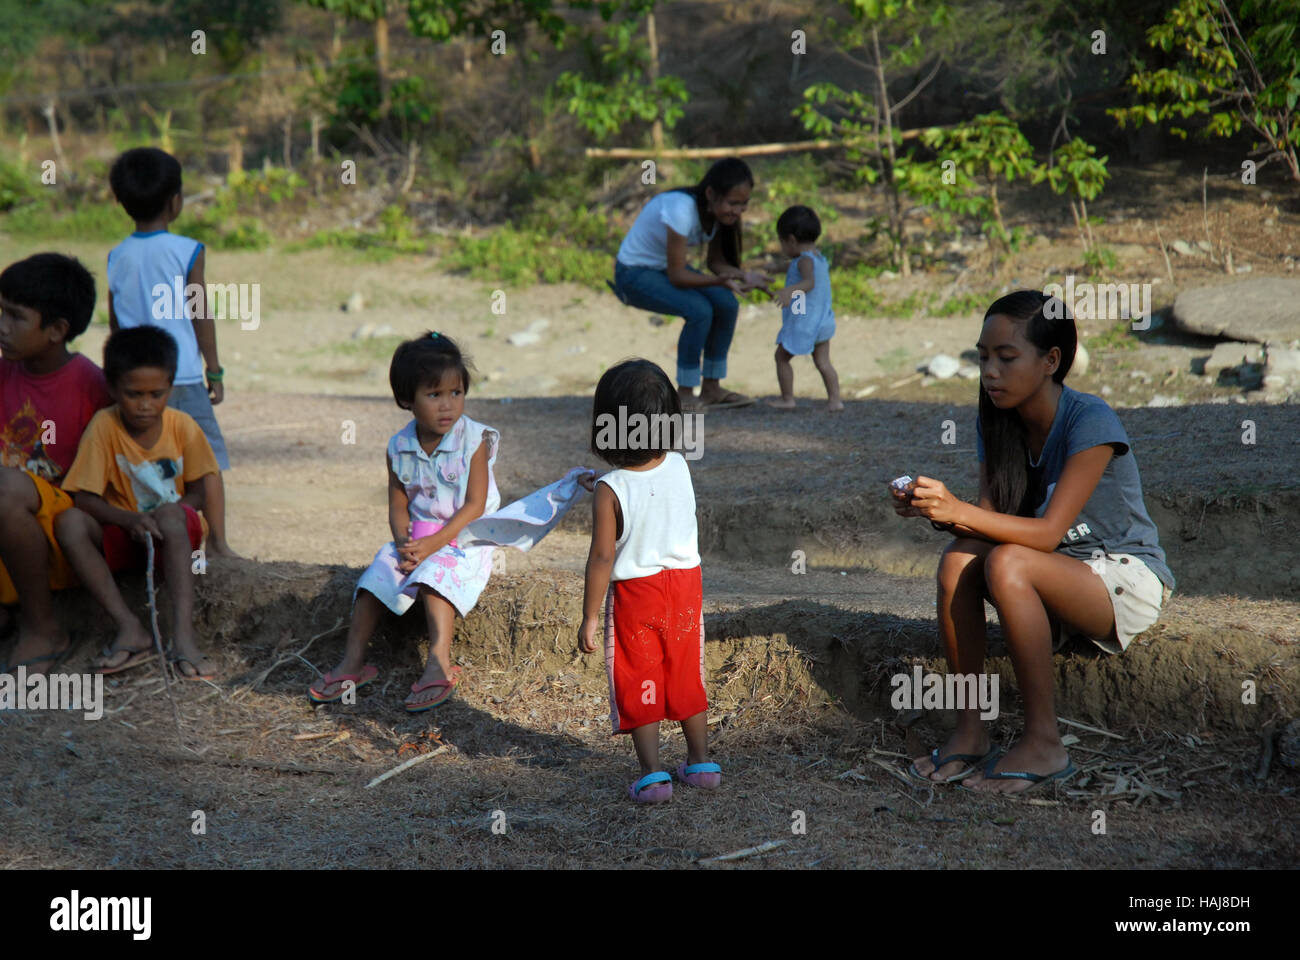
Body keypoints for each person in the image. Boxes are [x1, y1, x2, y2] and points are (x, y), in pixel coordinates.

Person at [892, 290, 1174, 794]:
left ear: (1051, 361)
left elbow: (1044, 533)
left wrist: (960, 510)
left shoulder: (1090, 420)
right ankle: (971, 730)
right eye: (982, 357)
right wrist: (935, 512)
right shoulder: (997, 420)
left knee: (1009, 565)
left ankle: (1044, 742)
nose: (989, 372)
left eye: (1005, 358)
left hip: (1120, 578)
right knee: (960, 559)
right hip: (1048, 569)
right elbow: (988, 521)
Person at [309, 333, 500, 712]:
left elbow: (476, 505)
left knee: (434, 577)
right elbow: (398, 505)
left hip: (466, 538)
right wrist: (402, 543)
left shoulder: (473, 440)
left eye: (456, 392)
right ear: (406, 400)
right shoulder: (398, 447)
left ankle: (439, 662)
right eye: (434, 395)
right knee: (374, 577)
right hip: (419, 538)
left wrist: (433, 547)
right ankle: (353, 662)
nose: (448, 405)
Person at [578, 358, 720, 803]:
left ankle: (653, 776)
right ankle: (701, 764)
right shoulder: (679, 464)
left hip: (636, 596)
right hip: (684, 588)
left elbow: (603, 556)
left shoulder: (610, 490)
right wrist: (604, 488)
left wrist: (587, 618)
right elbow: (652, 497)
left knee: (639, 677)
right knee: (683, 671)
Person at [57, 327, 220, 679]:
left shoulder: (184, 426)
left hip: (176, 535)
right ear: (113, 389)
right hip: (127, 533)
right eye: (133, 394)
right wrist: (129, 521)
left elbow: (198, 491)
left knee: (172, 515)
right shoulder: (105, 426)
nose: (145, 404)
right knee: (68, 522)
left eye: (156, 394)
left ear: (171, 387)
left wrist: (173, 512)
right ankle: (129, 627)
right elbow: (84, 498)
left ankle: (183, 638)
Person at [107, 146, 238, 557]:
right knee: (206, 461)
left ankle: (152, 534)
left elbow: (114, 320)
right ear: (175, 201)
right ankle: (216, 542)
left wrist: (116, 376)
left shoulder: (116, 256)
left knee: (144, 461)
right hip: (179, 376)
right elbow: (200, 313)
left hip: (132, 378)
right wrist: (213, 370)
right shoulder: (188, 250)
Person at [0, 253, 112, 673]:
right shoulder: (3, 372)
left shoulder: (93, 387)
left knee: (6, 488)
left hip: (59, 532)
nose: (2, 326)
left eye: (14, 316)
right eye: (0, 311)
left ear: (56, 331)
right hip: (8, 528)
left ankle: (44, 628)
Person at [610, 158, 771, 412]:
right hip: (633, 273)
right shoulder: (681, 209)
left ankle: (712, 389)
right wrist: (721, 280)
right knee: (699, 310)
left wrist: (743, 275)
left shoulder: (720, 216)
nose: (738, 210)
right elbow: (678, 275)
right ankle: (684, 394)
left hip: (663, 269)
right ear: (710, 194)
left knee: (727, 303)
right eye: (733, 202)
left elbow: (716, 263)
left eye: (744, 204)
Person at [766, 205, 842, 412]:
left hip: (805, 322)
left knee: (781, 357)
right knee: (823, 362)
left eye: (781, 242)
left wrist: (789, 291)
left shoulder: (805, 261)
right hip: (823, 321)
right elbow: (795, 266)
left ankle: (787, 398)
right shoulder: (816, 256)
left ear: (791, 240)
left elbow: (808, 283)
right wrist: (776, 268)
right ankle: (835, 401)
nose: (782, 247)